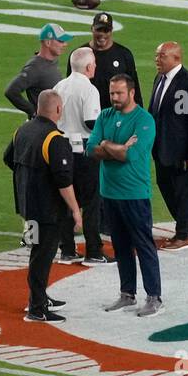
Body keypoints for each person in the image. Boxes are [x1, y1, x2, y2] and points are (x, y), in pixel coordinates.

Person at [87, 74, 163, 317]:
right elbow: (91, 149)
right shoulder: (105, 115)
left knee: (143, 245)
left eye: (119, 93)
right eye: (111, 93)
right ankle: (127, 293)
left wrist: (107, 145)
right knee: (120, 245)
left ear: (131, 93)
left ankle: (154, 297)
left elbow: (129, 156)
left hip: (134, 194)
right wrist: (116, 146)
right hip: (109, 193)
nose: (114, 98)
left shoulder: (145, 121)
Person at [4, 91, 82, 322]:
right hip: (48, 211)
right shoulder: (54, 139)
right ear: (58, 109)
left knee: (36, 253)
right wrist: (76, 210)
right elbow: (63, 180)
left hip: (27, 207)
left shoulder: (23, 130)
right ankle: (37, 307)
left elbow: (9, 158)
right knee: (43, 255)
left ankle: (38, 298)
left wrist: (28, 178)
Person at [150, 42, 188, 250]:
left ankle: (183, 235)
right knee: (166, 186)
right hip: (162, 147)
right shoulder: (160, 79)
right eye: (157, 55)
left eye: (162, 56)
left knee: (183, 191)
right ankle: (187, 224)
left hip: (182, 150)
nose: (157, 59)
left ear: (176, 58)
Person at [53, 46, 107, 264]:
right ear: (87, 66)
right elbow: (91, 121)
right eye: (93, 63)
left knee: (66, 198)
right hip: (83, 149)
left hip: (60, 147)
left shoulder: (59, 85)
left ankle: (67, 249)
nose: (95, 66)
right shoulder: (89, 89)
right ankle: (93, 251)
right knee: (92, 201)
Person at [4, 23, 71, 117]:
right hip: (44, 125)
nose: (65, 44)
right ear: (48, 43)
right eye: (60, 41)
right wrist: (33, 112)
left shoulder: (51, 62)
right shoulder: (35, 67)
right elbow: (11, 91)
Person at [86, 12, 143, 113]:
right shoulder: (80, 54)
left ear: (111, 31)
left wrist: (138, 118)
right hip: (87, 117)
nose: (102, 34)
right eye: (99, 30)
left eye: (106, 30)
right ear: (92, 29)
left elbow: (135, 91)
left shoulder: (124, 54)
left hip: (117, 117)